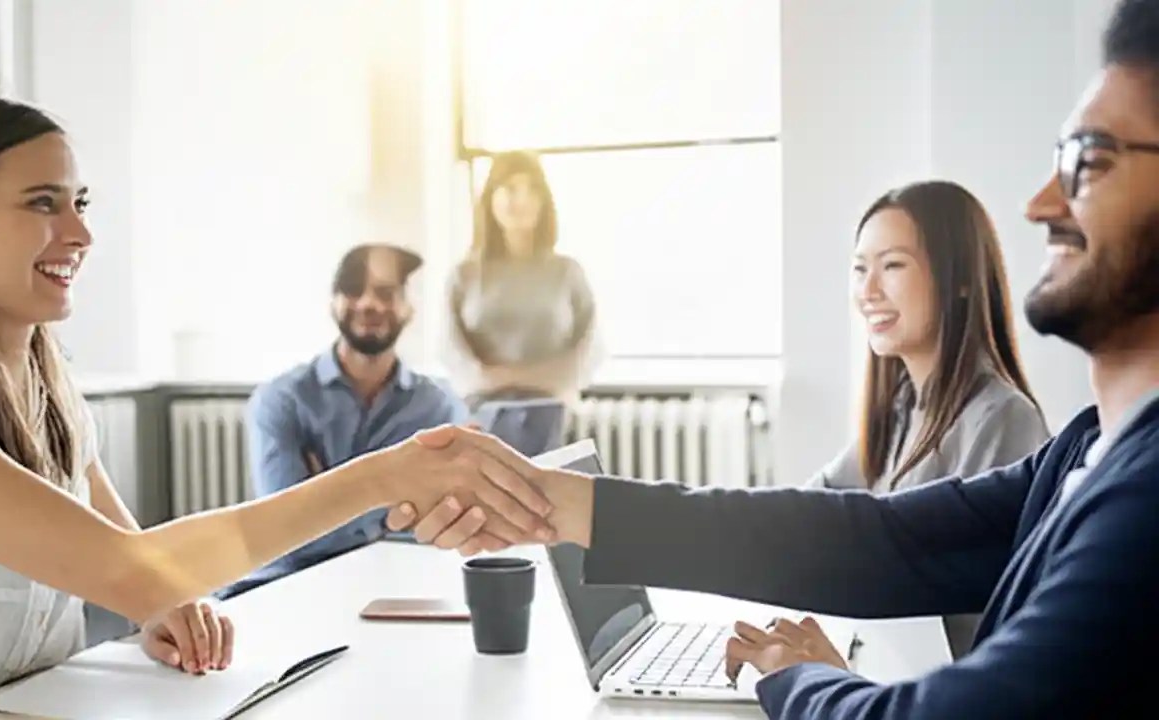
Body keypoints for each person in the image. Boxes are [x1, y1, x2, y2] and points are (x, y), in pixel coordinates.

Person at [390, 0, 1159, 715]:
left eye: (1087, 160)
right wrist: (549, 502)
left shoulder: (1140, 492)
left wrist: (797, 680)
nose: (1040, 205)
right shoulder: (1082, 452)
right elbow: (865, 538)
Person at [0, 93, 553, 719]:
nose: (80, 233)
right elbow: (133, 569)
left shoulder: (52, 399)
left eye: (80, 202)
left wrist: (163, 607)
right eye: (42, 204)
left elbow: (137, 563)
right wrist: (382, 476)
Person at [811, 180, 1049, 657]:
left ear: (960, 279)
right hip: (895, 661)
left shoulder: (1003, 420)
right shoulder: (903, 406)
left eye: (892, 266)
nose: (868, 291)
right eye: (860, 270)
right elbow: (817, 505)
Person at [231, 244, 468, 596]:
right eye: (353, 289)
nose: (369, 304)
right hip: (291, 583)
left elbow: (442, 529)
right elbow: (283, 532)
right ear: (333, 302)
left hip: (401, 587)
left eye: (386, 292)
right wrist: (391, 514)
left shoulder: (438, 408)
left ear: (409, 306)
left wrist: (324, 498)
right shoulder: (281, 400)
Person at [445, 151, 602, 409]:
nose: (522, 199)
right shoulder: (464, 276)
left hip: (554, 412)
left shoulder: (567, 273)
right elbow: (453, 354)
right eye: (510, 188)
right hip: (481, 414)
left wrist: (516, 379)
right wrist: (503, 380)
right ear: (490, 198)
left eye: (532, 189)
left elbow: (589, 349)